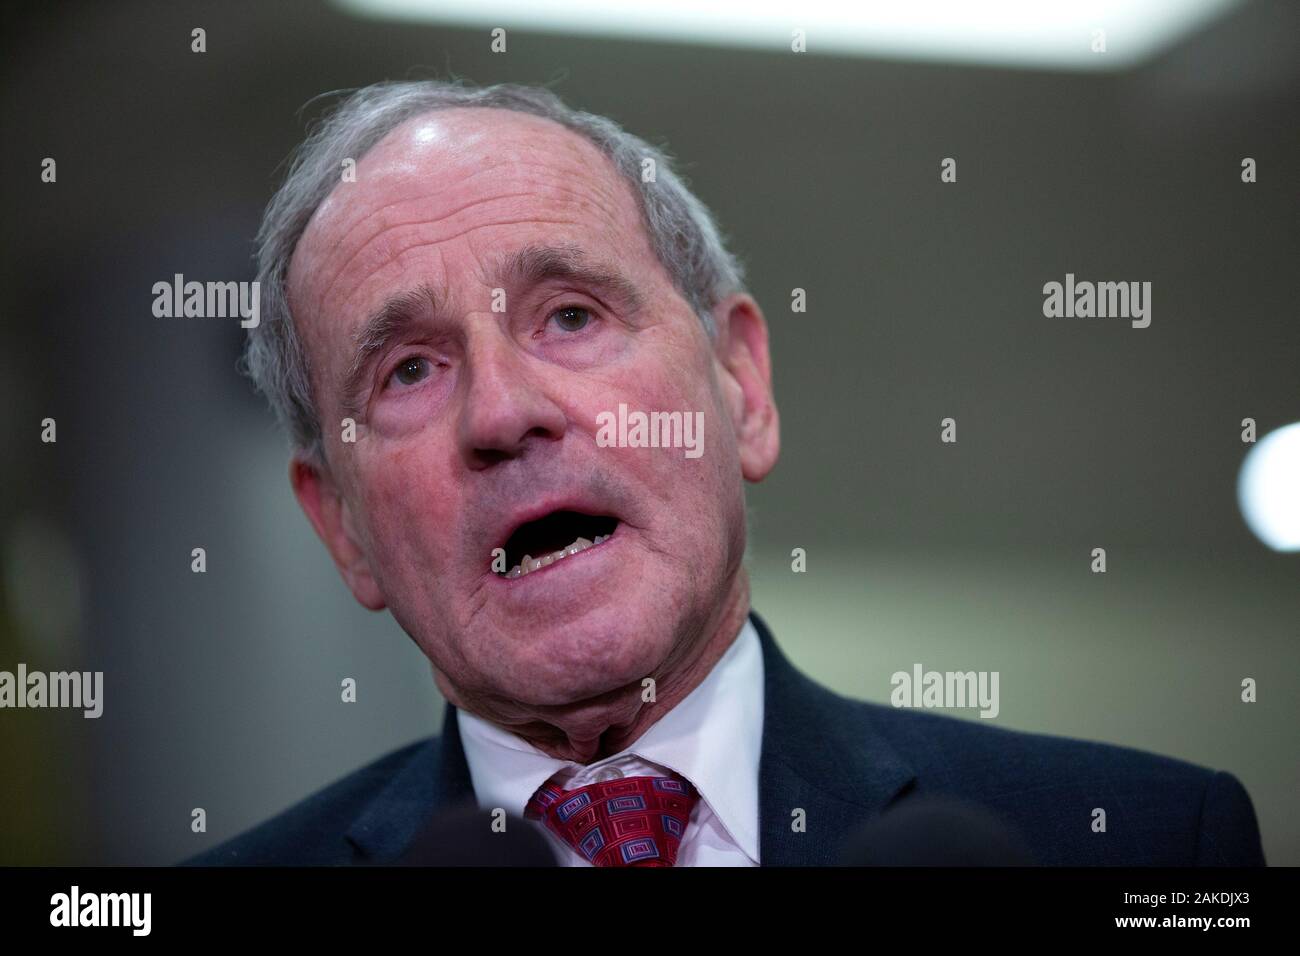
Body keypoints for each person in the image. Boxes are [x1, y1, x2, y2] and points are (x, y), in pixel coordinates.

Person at [188, 80, 1264, 867]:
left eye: (570, 314)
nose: (503, 412)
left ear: (740, 384)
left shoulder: (1147, 842)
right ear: (341, 528)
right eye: (409, 369)